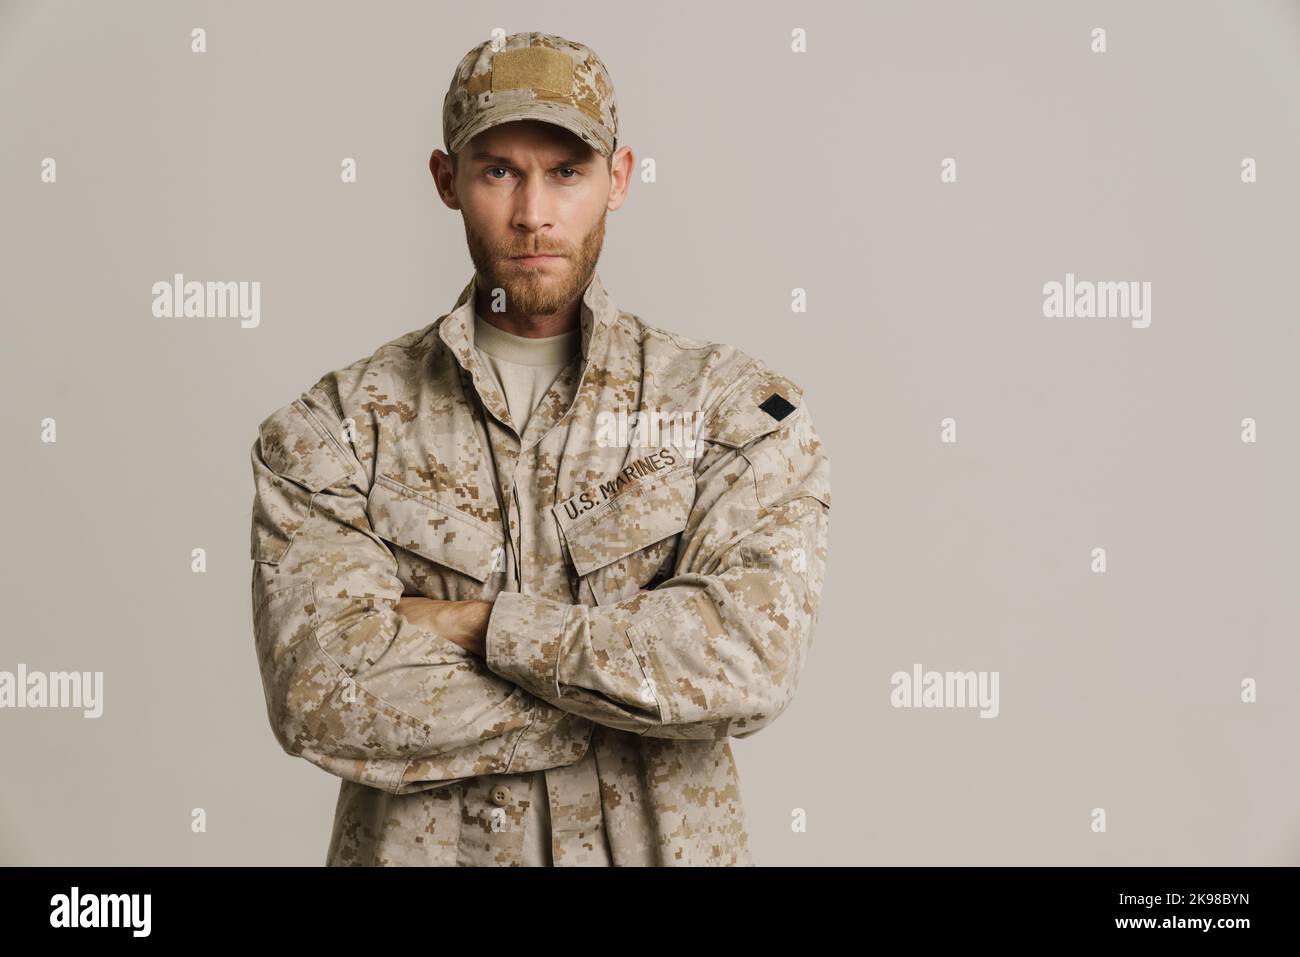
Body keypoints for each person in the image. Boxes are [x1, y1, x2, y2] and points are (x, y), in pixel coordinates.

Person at [248, 30, 831, 866]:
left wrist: (479, 627)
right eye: (499, 171)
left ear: (617, 180)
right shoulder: (332, 430)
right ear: (447, 181)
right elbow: (322, 693)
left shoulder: (731, 410)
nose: (532, 213)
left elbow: (748, 658)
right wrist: (633, 695)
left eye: (566, 171)